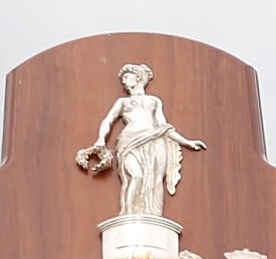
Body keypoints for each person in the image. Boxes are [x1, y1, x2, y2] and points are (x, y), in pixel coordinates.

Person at [75, 62, 205, 218]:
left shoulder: (154, 101)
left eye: (126, 77)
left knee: (157, 178)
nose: (123, 82)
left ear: (138, 77)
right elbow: (108, 120)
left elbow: (164, 127)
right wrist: (101, 139)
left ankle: (154, 215)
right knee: (135, 176)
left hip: (154, 139)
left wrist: (187, 142)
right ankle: (127, 214)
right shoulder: (122, 102)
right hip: (129, 141)